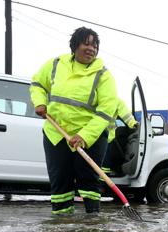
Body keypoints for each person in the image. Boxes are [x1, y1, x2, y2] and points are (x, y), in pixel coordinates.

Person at [30, 27, 118, 214]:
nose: (91, 49)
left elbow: (106, 111)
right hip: (57, 133)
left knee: (88, 181)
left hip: (90, 136)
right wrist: (39, 102)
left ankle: (92, 224)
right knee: (60, 180)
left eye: (95, 45)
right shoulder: (55, 64)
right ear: (74, 45)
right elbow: (37, 84)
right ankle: (62, 226)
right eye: (86, 43)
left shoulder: (103, 75)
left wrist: (84, 135)